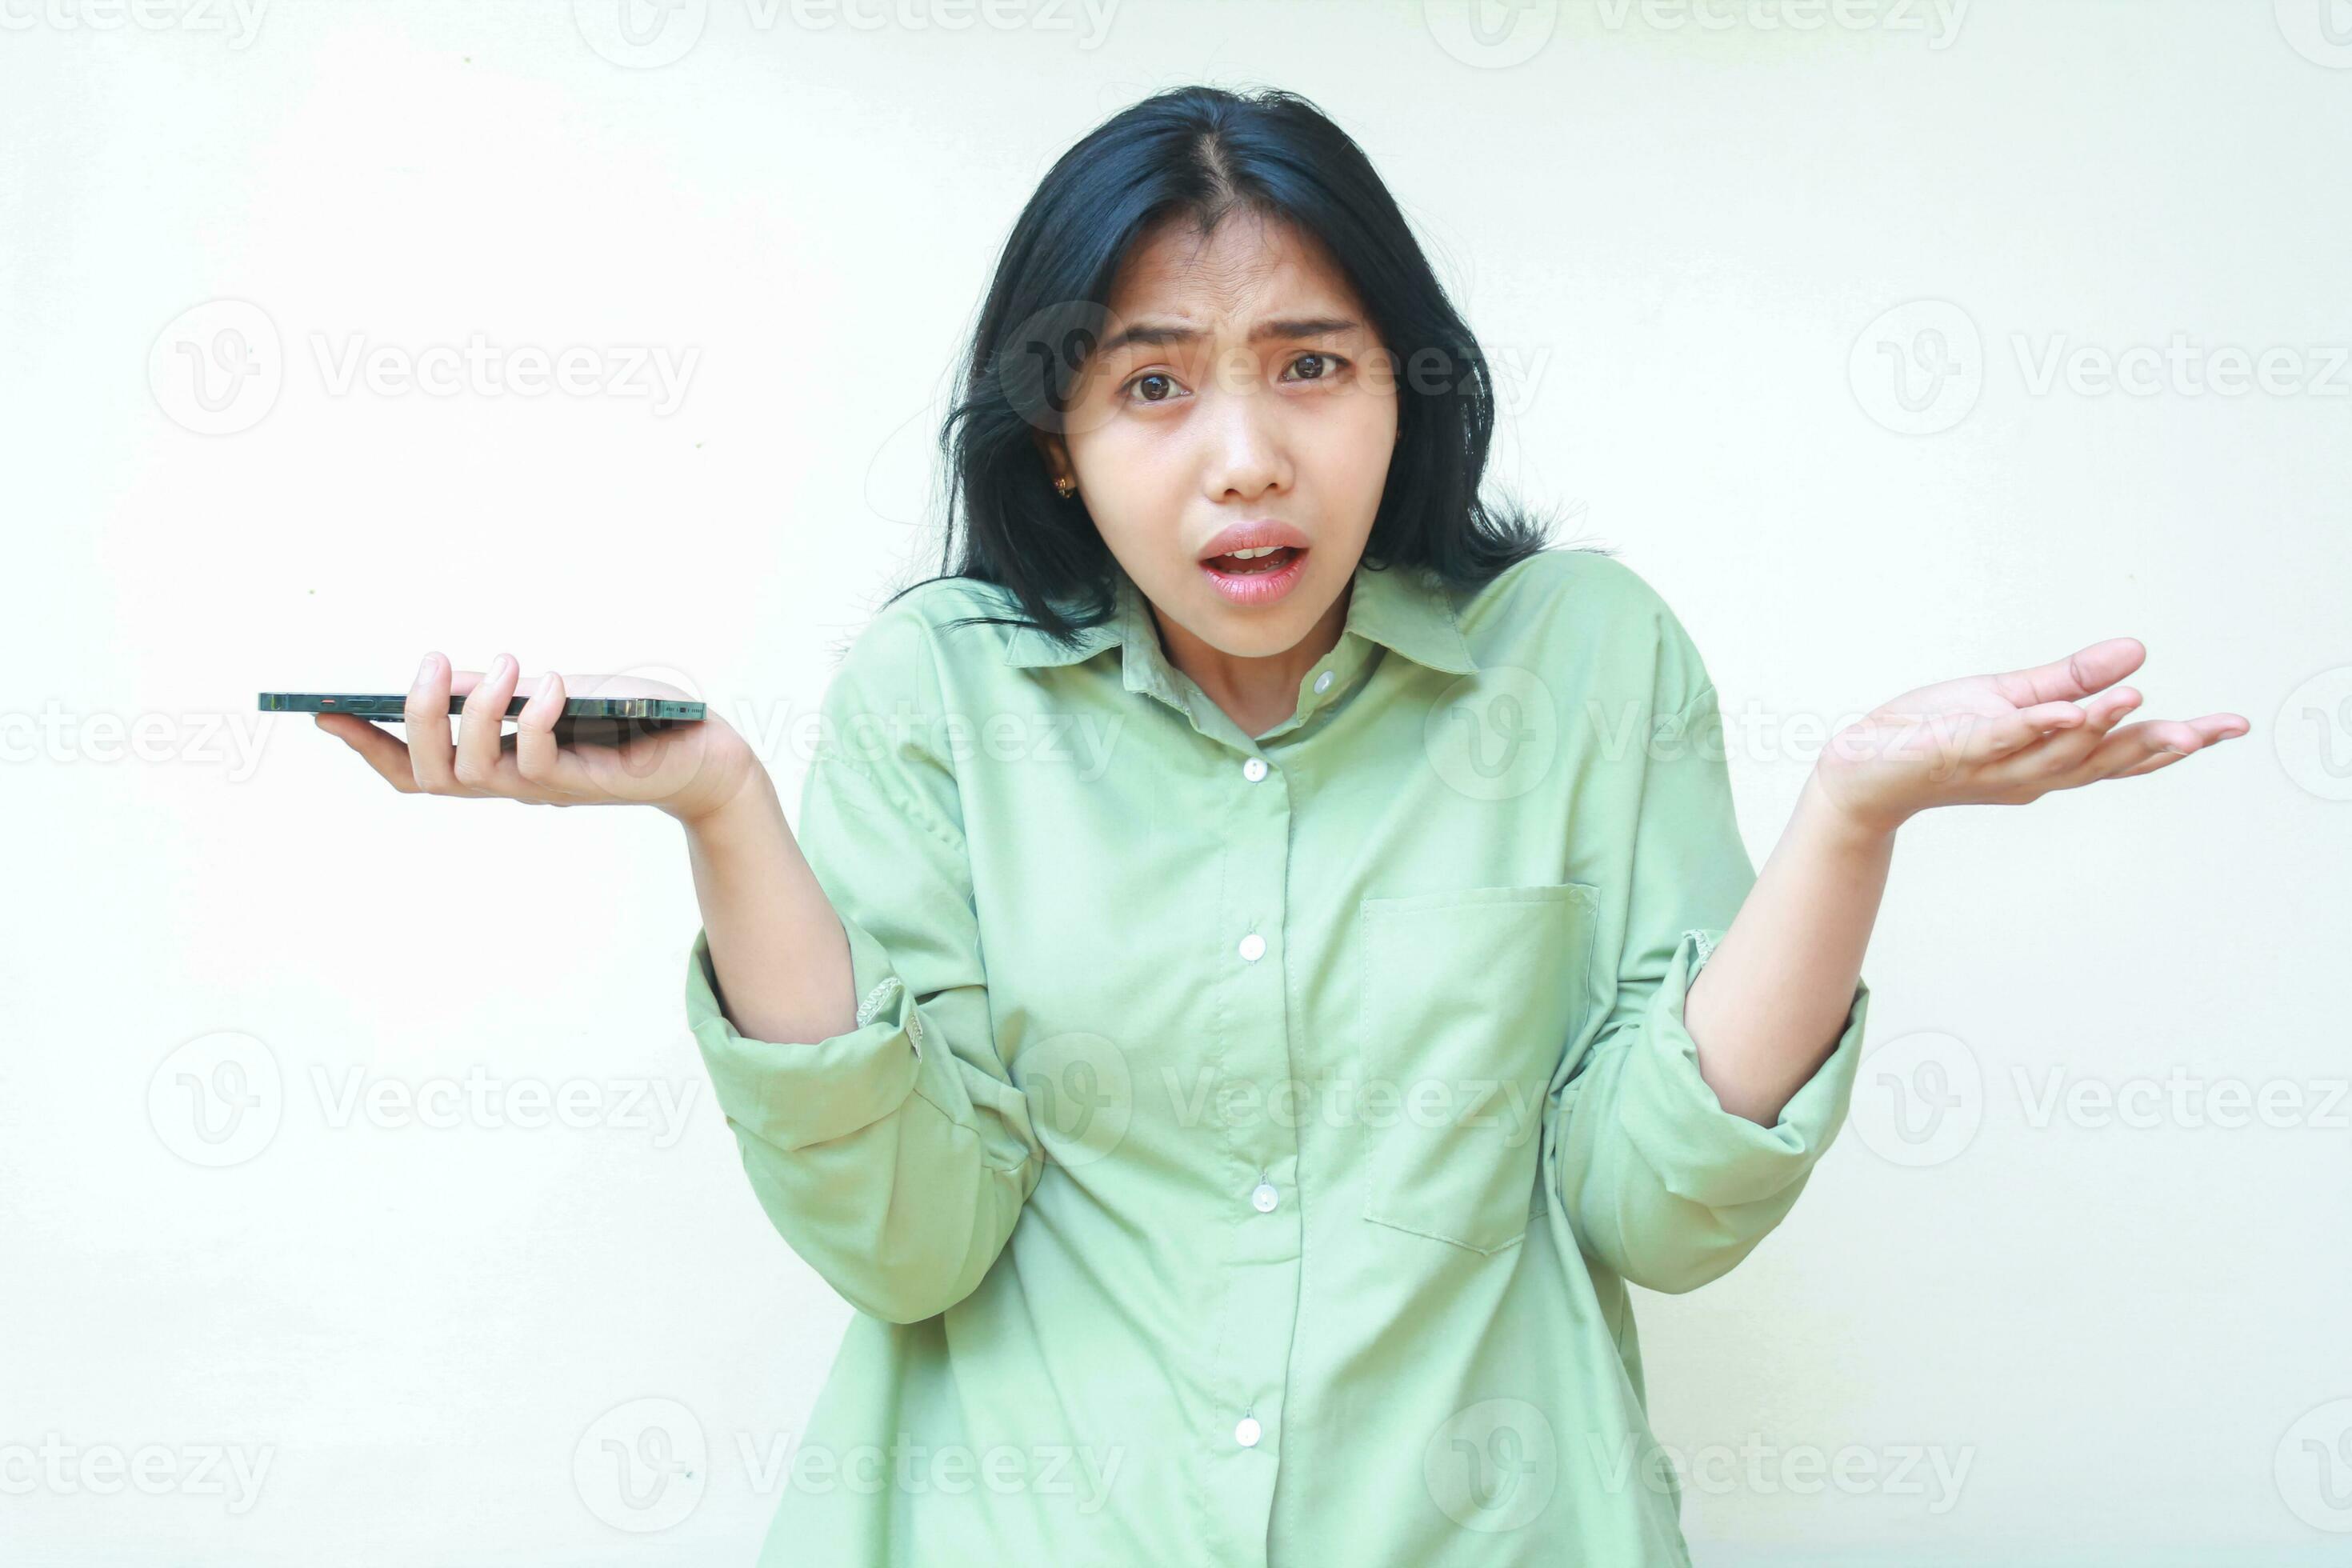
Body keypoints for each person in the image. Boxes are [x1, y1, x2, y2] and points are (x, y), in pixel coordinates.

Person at [315, 84, 2247, 1567]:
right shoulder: (942, 696)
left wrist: (1850, 818)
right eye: (1153, 384)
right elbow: (912, 1236)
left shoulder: (1582, 659)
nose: (1246, 457)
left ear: (1407, 388)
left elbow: (1655, 1207)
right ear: (1057, 438)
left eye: (1311, 366)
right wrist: (720, 807)